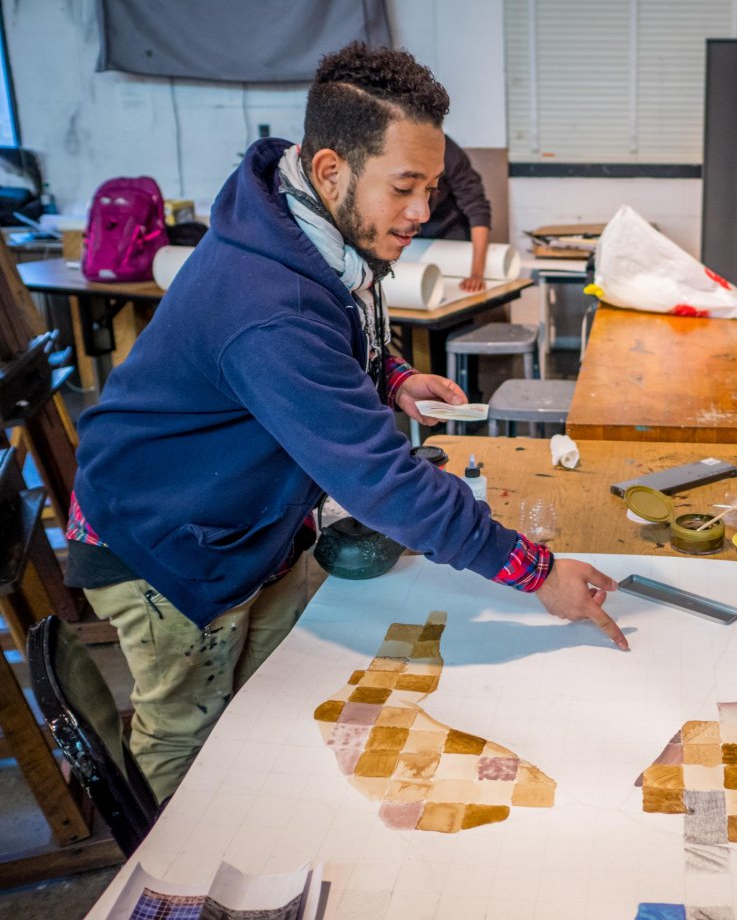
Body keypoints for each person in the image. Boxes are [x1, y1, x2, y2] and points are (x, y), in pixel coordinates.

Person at [65, 43, 628, 803]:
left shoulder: (301, 223)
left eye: (430, 187)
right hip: (164, 537)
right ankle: (165, 858)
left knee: (269, 699)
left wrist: (389, 374)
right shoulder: (267, 305)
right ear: (331, 168)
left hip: (244, 516)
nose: (423, 212)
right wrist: (537, 572)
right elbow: (382, 482)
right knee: (189, 726)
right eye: (404, 187)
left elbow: (337, 328)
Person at [416, 134, 492, 292]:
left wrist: (476, 274)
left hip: (449, 232)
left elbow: (478, 209)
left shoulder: (447, 151)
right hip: (413, 241)